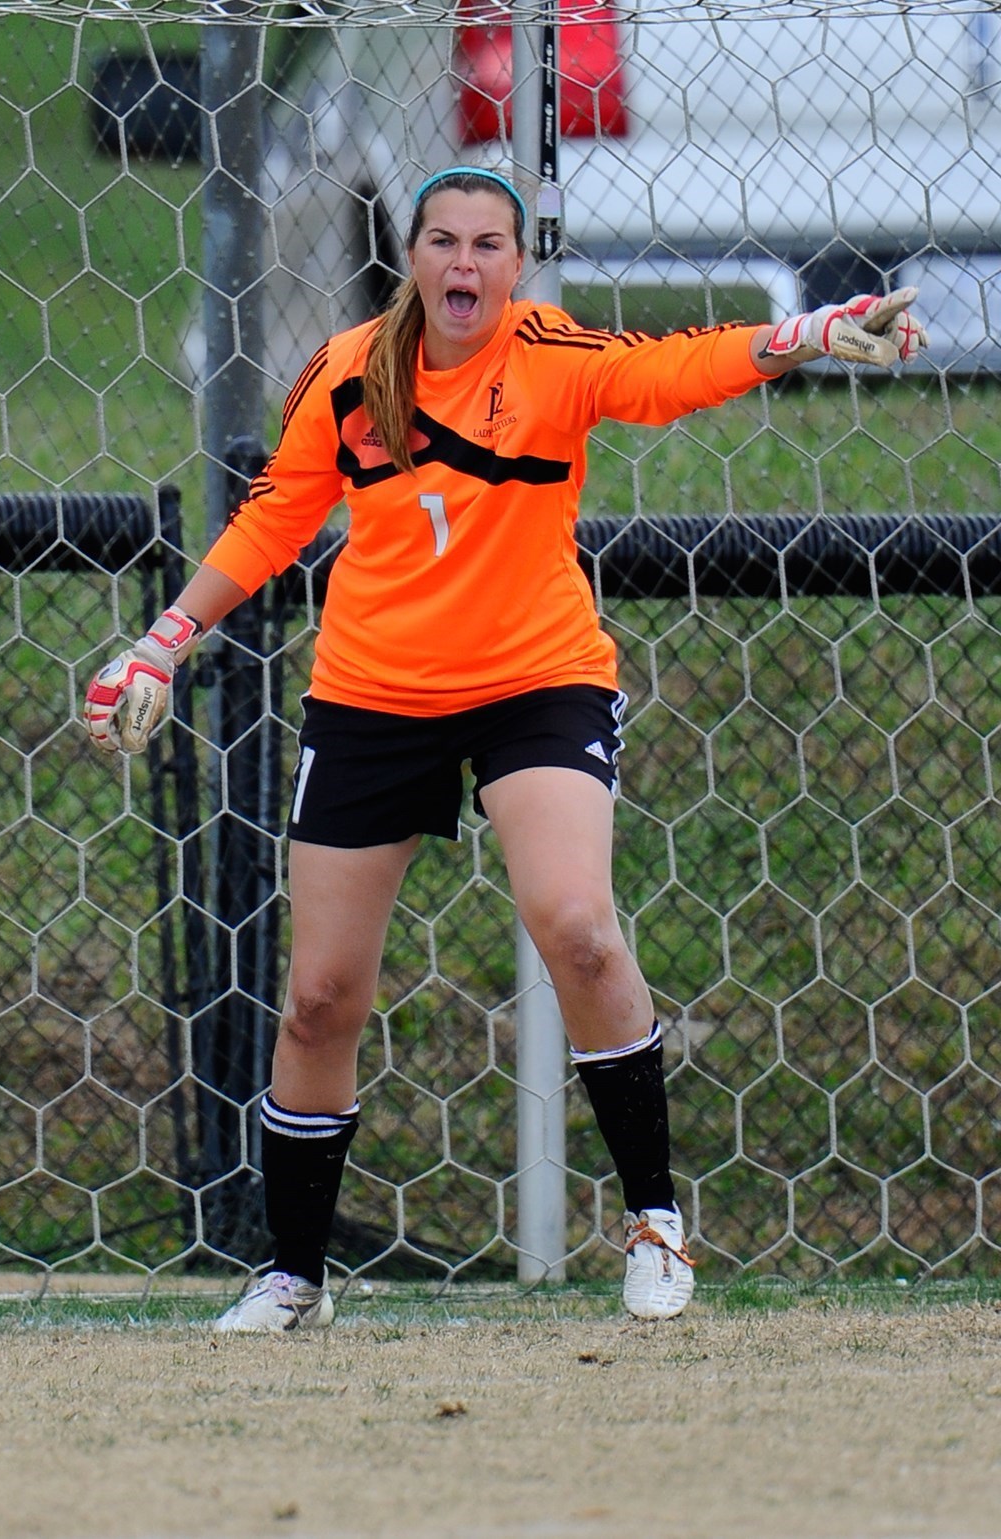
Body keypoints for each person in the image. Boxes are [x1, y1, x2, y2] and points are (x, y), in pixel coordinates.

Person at [83, 165, 928, 1331]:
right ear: (412, 257)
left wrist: (812, 333)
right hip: (374, 694)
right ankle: (293, 1277)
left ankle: (654, 1226)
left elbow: (668, 371)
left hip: (537, 681)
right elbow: (277, 514)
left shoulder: (550, 357)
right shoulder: (348, 371)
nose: (465, 263)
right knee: (319, 998)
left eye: (488, 245)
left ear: (518, 265)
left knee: (575, 926)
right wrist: (166, 640)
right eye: (443, 241)